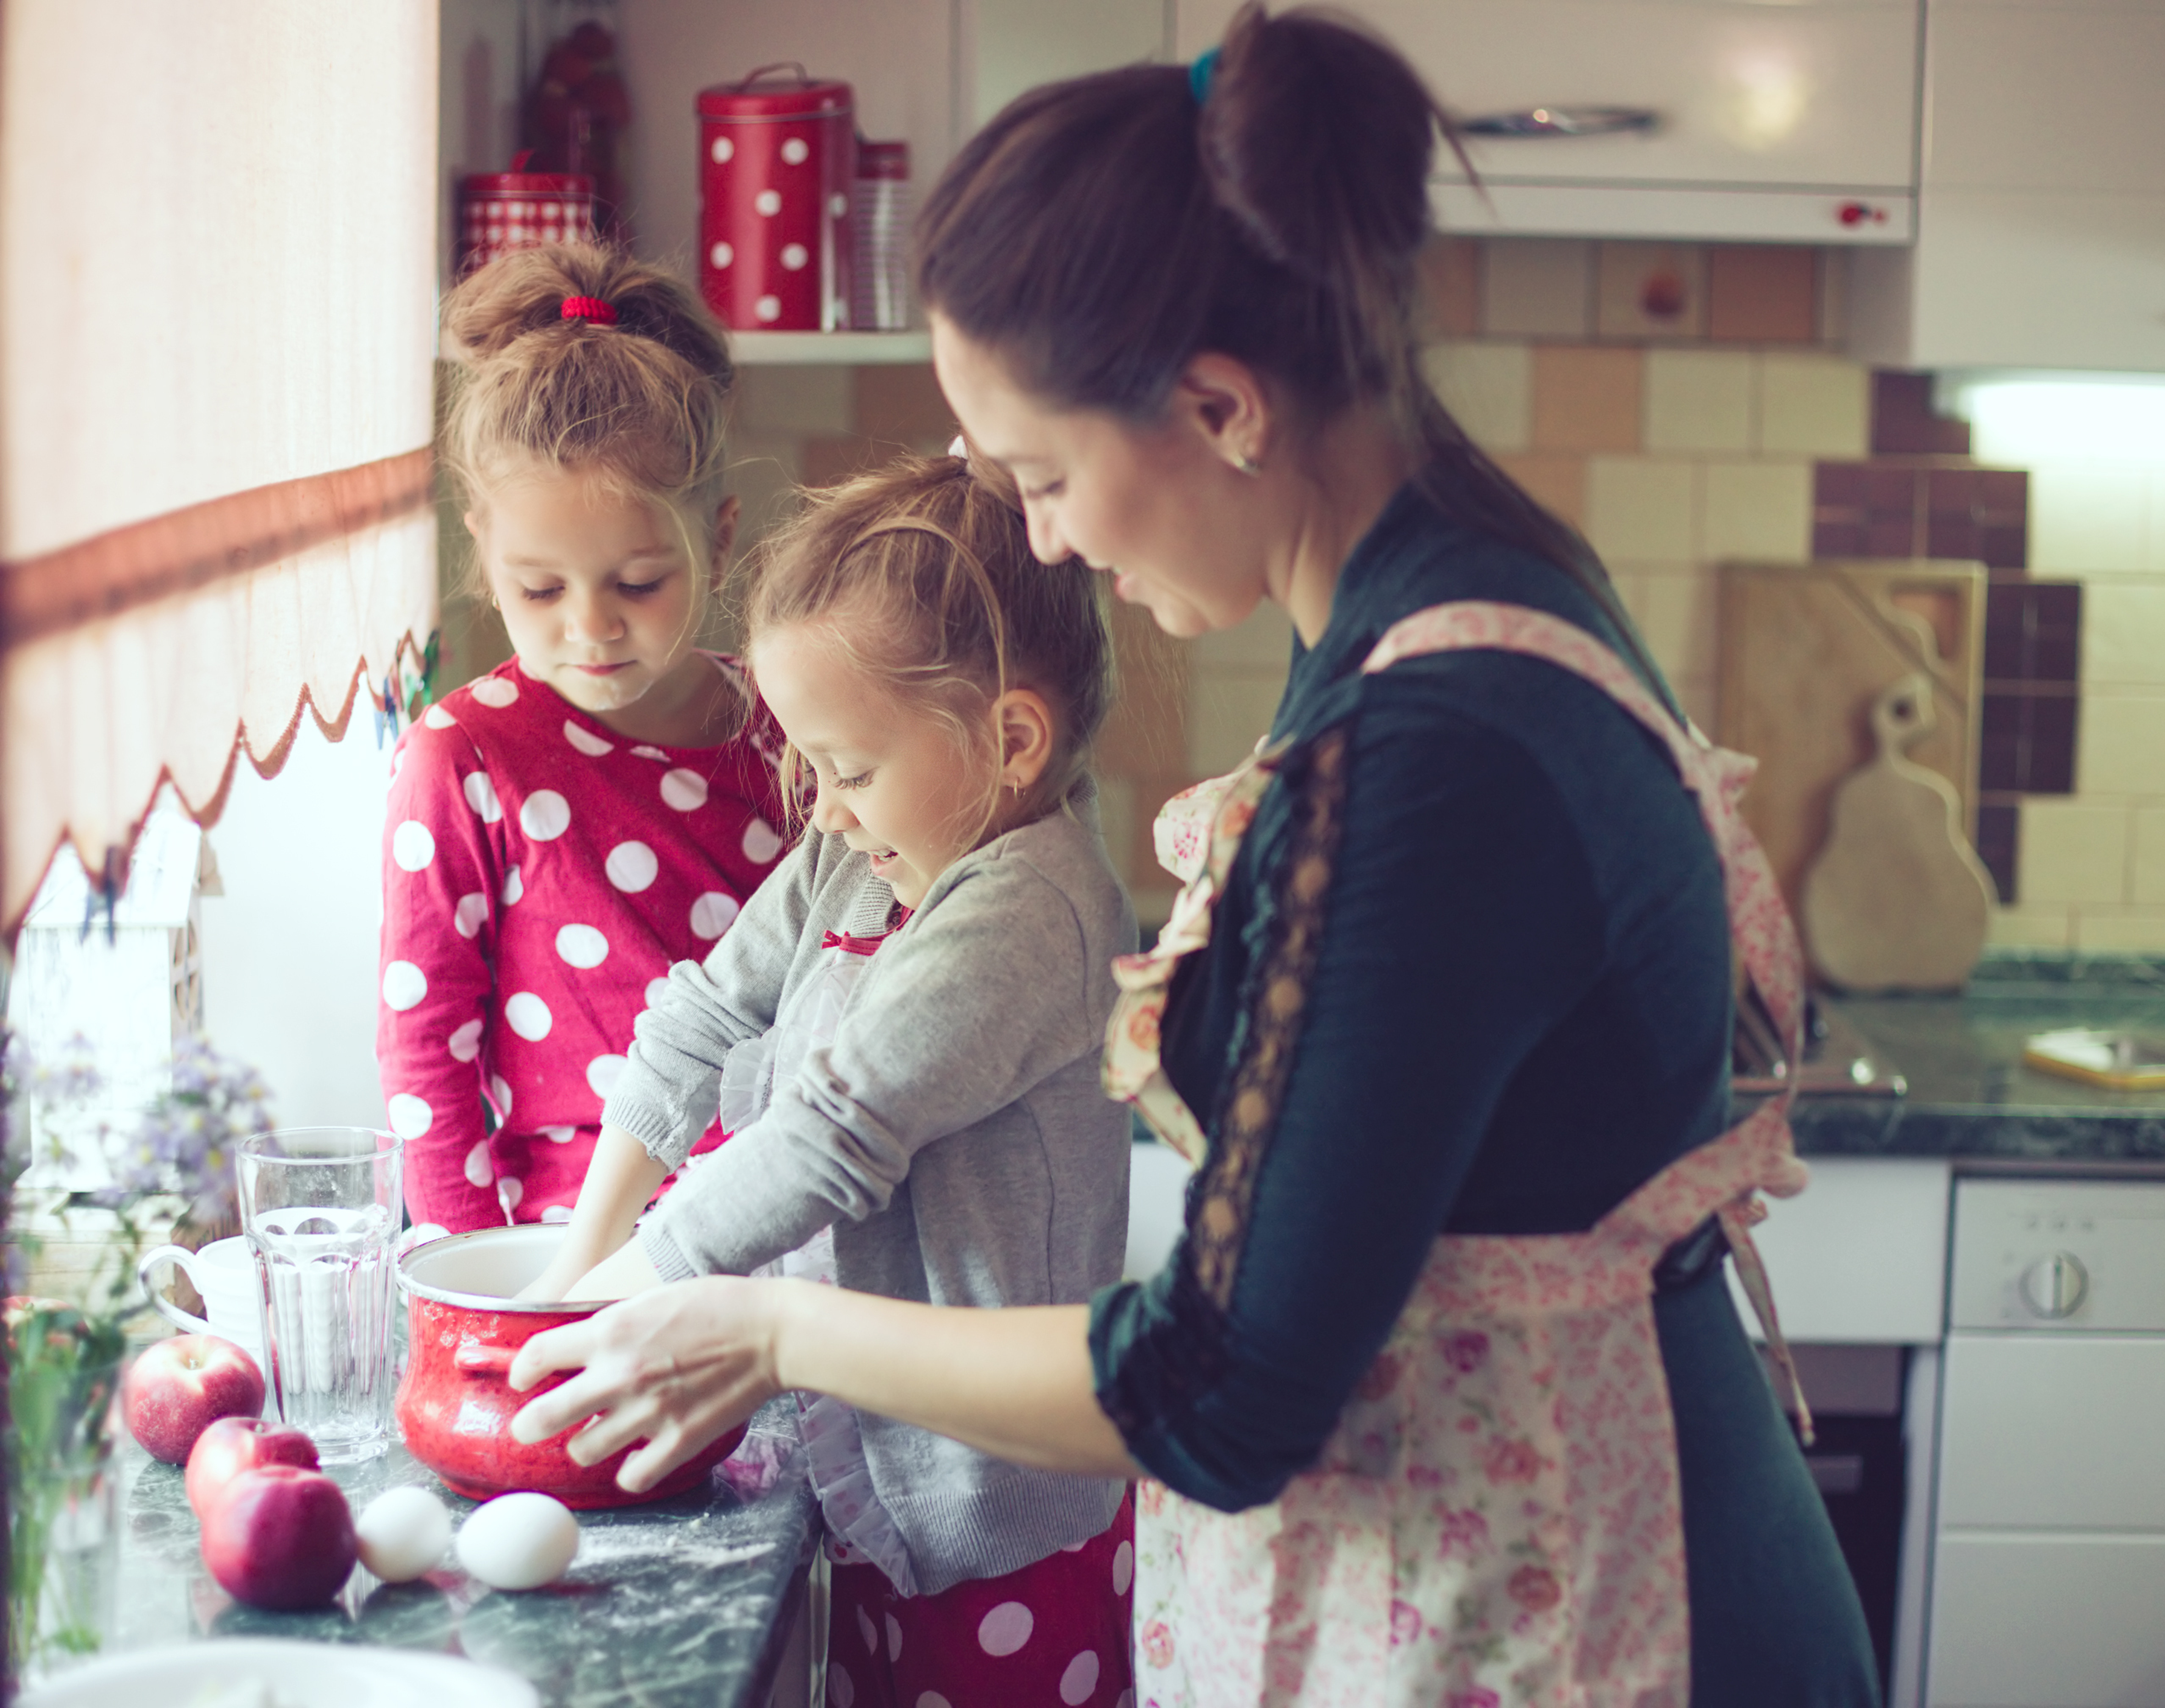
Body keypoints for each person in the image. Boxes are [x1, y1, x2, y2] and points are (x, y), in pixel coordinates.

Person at [507, 8, 1881, 1701]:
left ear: (1219, 405)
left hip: (1601, 1625)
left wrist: (774, 1327)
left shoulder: (1429, 755)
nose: (1041, 536)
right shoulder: (1460, 594)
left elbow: (1217, 1396)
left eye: (1044, 472)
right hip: (1525, 1570)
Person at [518, 455, 1139, 1708]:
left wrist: (627, 1297)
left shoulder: (1028, 909)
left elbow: (831, 1137)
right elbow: (700, 1019)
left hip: (995, 1515)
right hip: (867, 1472)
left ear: (1010, 740)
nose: (826, 808)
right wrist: (570, 1279)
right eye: (808, 768)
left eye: (849, 769)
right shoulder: (856, 857)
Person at [378, 244, 787, 1234]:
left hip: (787, 1235)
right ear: (483, 546)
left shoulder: (791, 728)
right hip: (566, 1257)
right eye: (541, 588)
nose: (591, 627)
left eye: (640, 583)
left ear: (720, 541)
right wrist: (474, 1286)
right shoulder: (462, 756)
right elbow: (428, 1050)